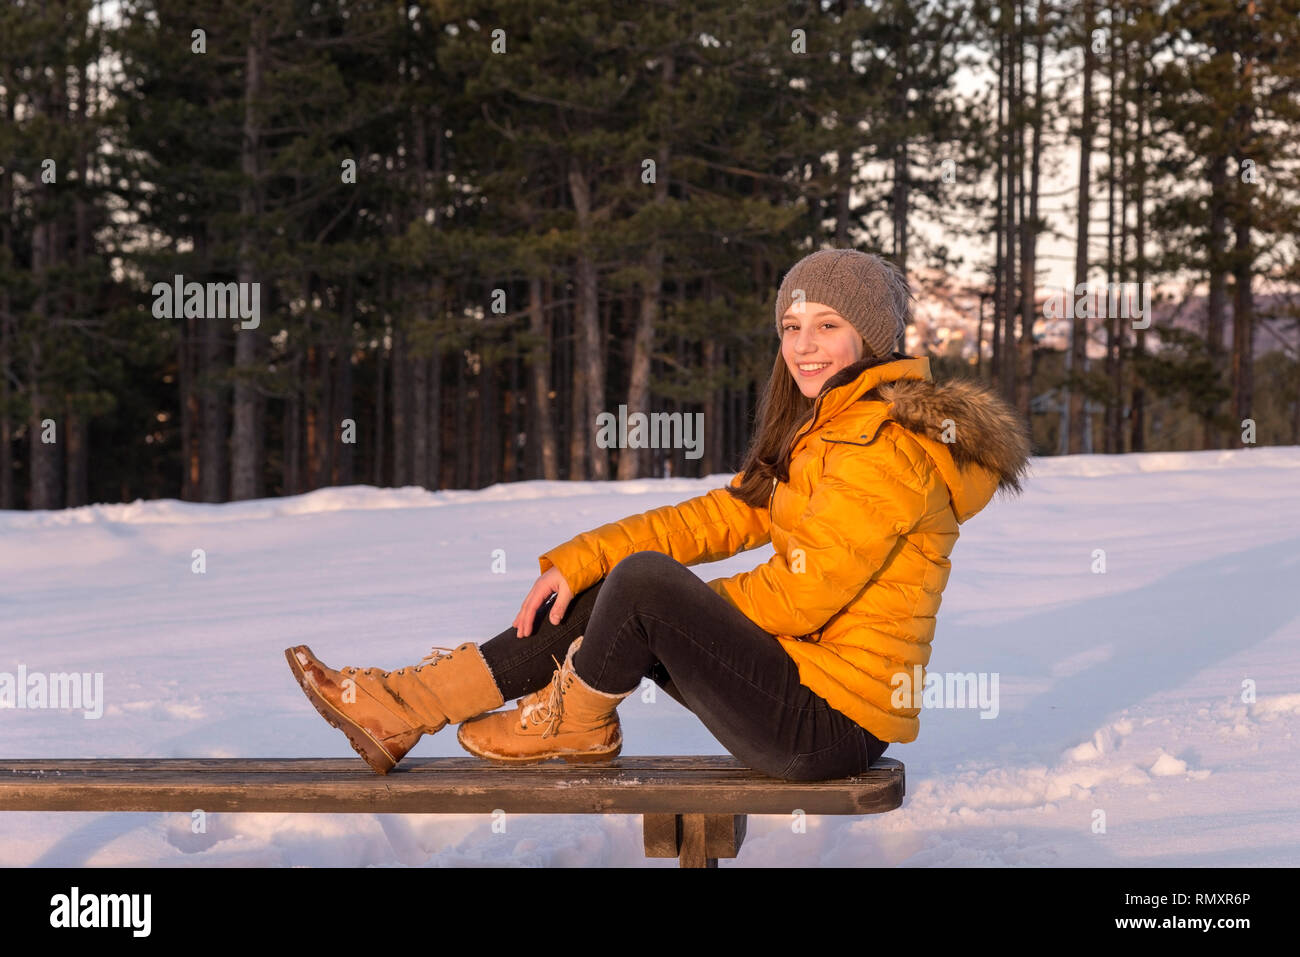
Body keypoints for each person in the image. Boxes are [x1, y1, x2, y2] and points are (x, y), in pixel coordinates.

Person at [285, 248, 1032, 781]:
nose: (803, 345)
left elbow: (806, 592)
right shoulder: (828, 427)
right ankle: (405, 707)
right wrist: (580, 560)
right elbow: (717, 516)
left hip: (828, 725)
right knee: (626, 580)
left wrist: (649, 608)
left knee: (640, 588)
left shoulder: (882, 447)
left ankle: (552, 719)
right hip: (803, 691)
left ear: (870, 337)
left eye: (827, 325)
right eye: (792, 325)